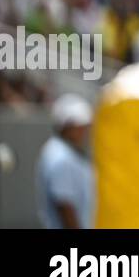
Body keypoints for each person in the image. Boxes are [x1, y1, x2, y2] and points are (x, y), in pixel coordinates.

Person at [36, 93, 95, 229]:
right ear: (66, 126)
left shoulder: (64, 152)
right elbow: (65, 205)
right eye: (79, 126)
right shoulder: (61, 158)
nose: (84, 131)